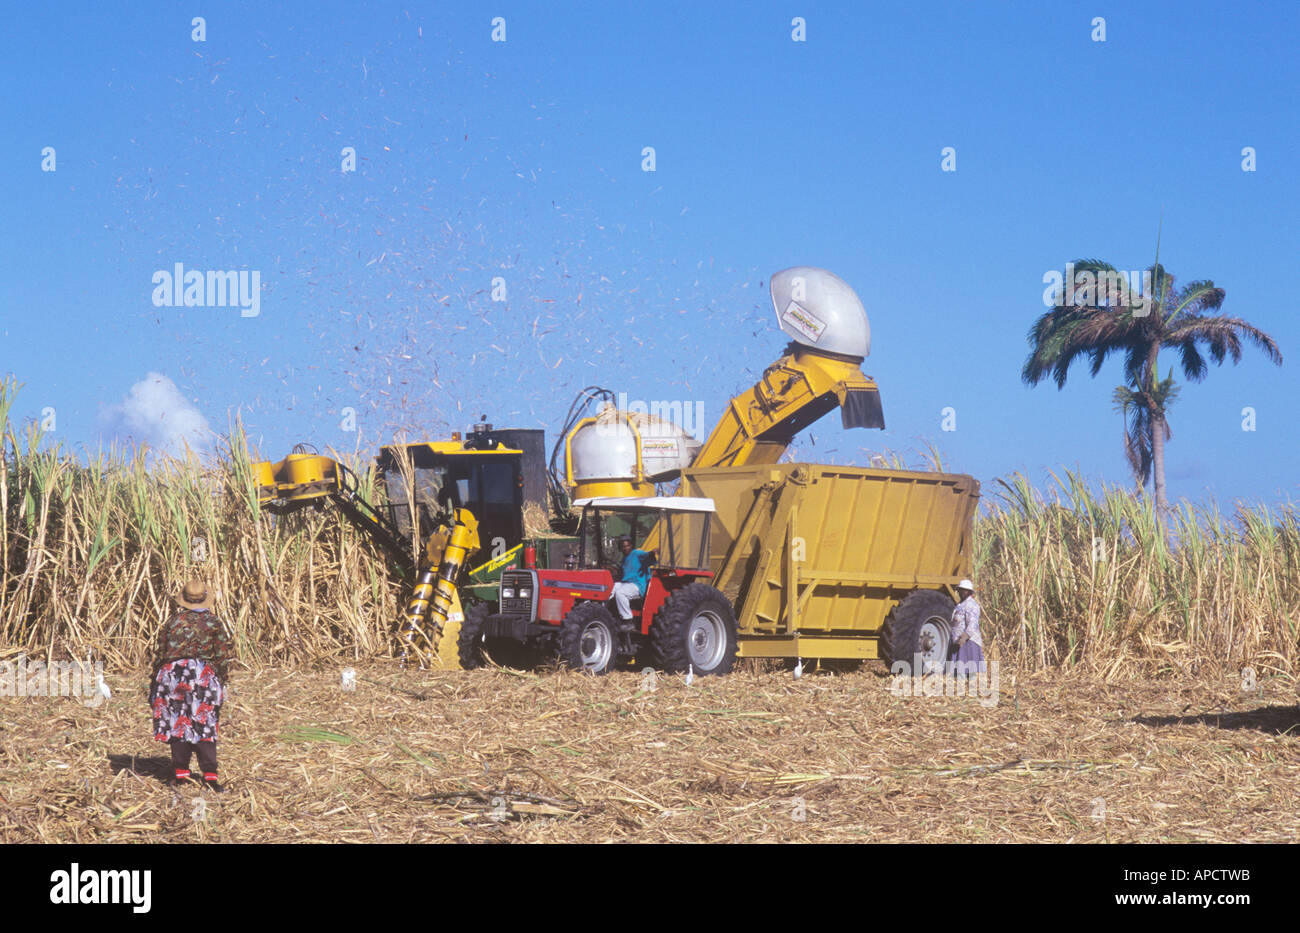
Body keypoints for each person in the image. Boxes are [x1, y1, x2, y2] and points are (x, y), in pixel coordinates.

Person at [150, 579, 234, 792]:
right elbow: (222, 655)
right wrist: (221, 680)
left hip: (173, 675)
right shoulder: (213, 622)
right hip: (201, 676)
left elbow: (160, 652)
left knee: (179, 722)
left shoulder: (173, 621)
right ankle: (210, 777)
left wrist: (155, 682)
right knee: (204, 722)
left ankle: (180, 775)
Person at [948, 578, 986, 676]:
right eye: (960, 590)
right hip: (959, 642)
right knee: (960, 673)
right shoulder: (960, 605)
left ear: (969, 592)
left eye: (964, 590)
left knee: (969, 672)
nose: (961, 592)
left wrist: (963, 638)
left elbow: (972, 625)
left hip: (968, 642)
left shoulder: (971, 605)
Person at [611, 536, 652, 621]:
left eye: (627, 546)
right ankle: (602, 609)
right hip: (626, 583)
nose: (625, 548)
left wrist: (652, 553)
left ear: (631, 546)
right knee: (612, 587)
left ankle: (627, 619)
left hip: (637, 585)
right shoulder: (624, 559)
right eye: (623, 546)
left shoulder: (637, 553)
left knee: (620, 593)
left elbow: (646, 556)